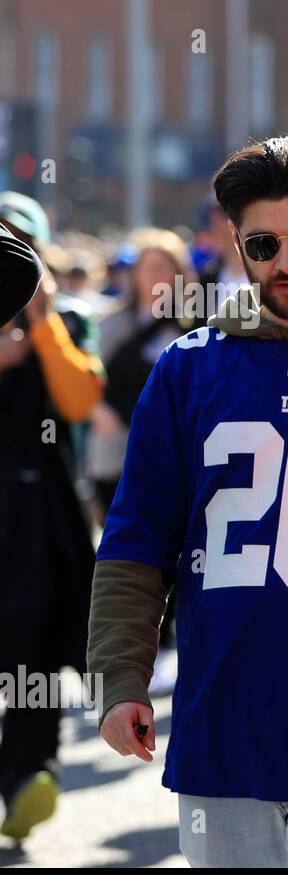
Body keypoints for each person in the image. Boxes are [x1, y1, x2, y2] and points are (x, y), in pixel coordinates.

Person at [89, 131, 288, 867]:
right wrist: (119, 677)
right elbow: (137, 538)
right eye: (262, 245)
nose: (286, 262)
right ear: (236, 243)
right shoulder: (187, 367)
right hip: (219, 725)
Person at [0, 194, 104, 841]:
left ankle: (27, 770)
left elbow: (80, 397)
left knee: (37, 642)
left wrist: (41, 329)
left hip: (40, 515)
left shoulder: (65, 319)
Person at [86, 228, 199, 518]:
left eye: (163, 267)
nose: (154, 275)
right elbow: (86, 375)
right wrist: (98, 411)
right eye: (147, 267)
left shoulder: (194, 327)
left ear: (179, 273)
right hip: (116, 446)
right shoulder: (109, 323)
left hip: (171, 449)